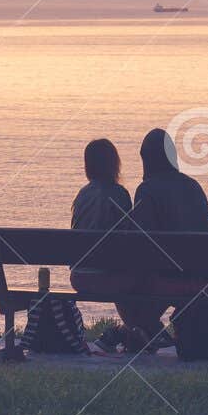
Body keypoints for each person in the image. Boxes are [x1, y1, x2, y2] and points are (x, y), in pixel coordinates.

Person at [66, 138, 165, 350]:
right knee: (142, 277)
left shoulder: (82, 195)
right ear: (114, 164)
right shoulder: (119, 194)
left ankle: (138, 331)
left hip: (79, 277)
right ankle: (140, 330)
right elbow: (129, 241)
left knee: (126, 273)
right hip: (107, 279)